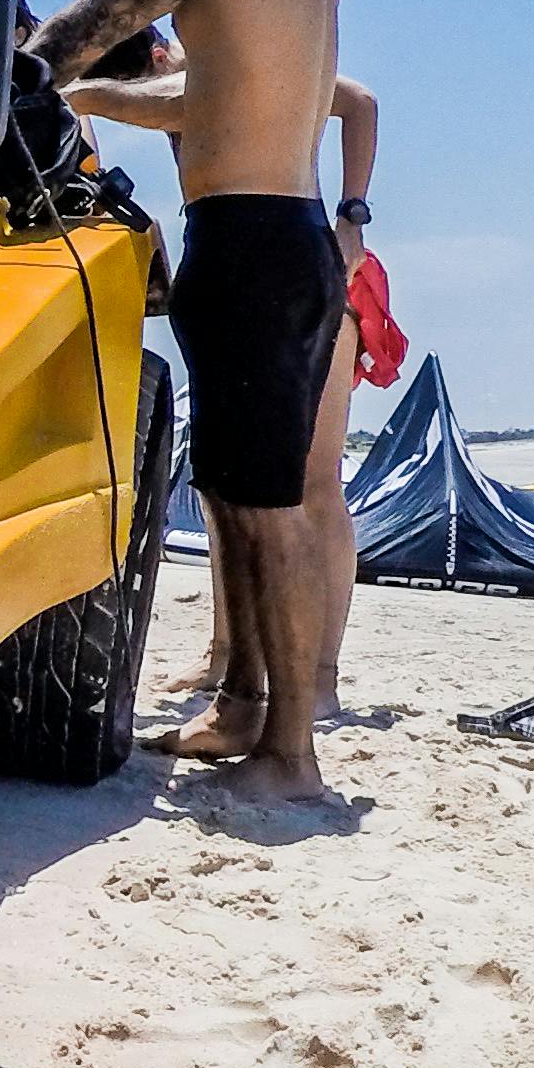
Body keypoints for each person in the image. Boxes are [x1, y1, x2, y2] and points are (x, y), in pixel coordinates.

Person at [21, 0, 348, 809]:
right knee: (234, 489)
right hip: (279, 229)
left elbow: (121, 1)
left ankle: (291, 758)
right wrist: (85, 100)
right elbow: (208, 97)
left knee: (266, 509)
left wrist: (16, 70)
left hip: (252, 240)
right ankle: (249, 704)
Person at [67, 39, 377, 722]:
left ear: (157, 52)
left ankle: (321, 677)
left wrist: (353, 215)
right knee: (225, 490)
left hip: (311, 266)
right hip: (245, 259)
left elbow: (359, 102)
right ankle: (225, 653)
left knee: (314, 484)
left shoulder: (244, 72)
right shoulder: (184, 90)